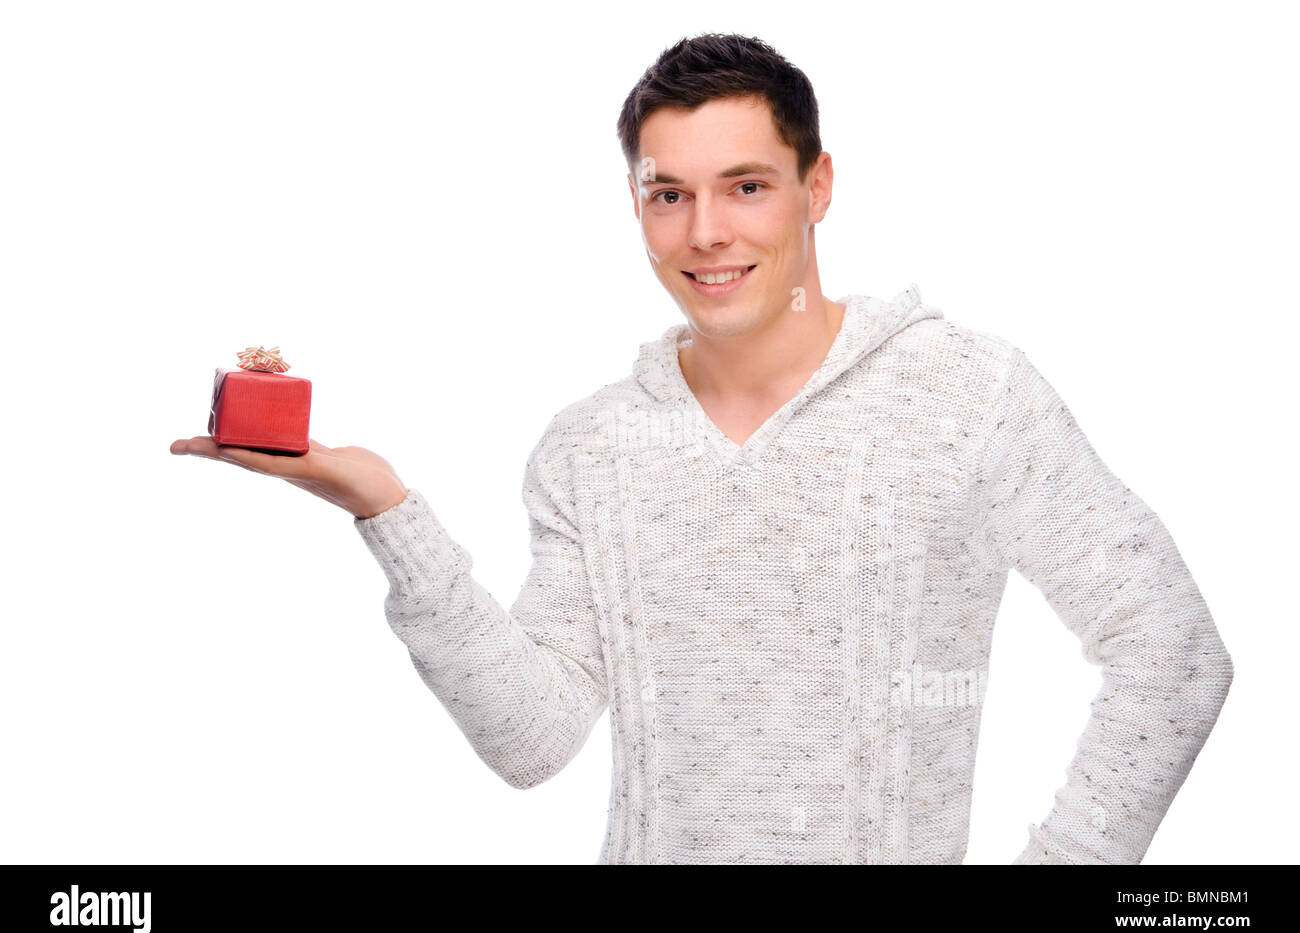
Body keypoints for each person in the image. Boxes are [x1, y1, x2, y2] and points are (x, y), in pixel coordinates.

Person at [171, 33, 1233, 865]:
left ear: (817, 189)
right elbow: (531, 738)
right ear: (635, 204)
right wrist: (387, 510)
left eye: (746, 186)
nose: (706, 234)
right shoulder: (590, 446)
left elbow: (1172, 654)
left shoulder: (966, 393)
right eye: (667, 195)